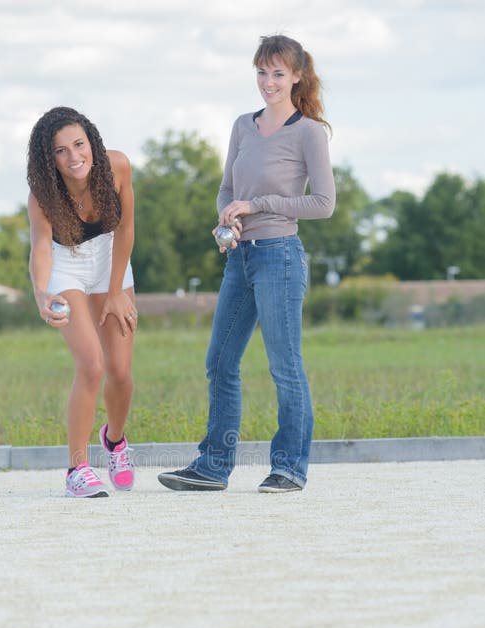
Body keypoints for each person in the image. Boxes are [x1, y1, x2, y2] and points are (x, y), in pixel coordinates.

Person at [158, 33, 335, 494]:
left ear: (297, 76)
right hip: (240, 260)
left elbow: (323, 203)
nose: (268, 82)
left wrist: (258, 205)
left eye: (278, 73)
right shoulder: (243, 125)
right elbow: (226, 188)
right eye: (262, 71)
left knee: (284, 365)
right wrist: (228, 218)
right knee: (219, 360)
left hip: (280, 258)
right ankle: (213, 466)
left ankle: (289, 468)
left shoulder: (308, 132)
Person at [27, 106, 137, 498]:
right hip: (67, 265)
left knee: (120, 373)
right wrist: (42, 292)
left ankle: (115, 442)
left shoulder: (118, 166)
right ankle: (77, 467)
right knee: (92, 365)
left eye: (79, 144)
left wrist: (114, 292)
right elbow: (41, 247)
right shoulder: (43, 193)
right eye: (61, 151)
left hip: (111, 260)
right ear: (49, 159)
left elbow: (125, 230)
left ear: (91, 141)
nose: (74, 157)